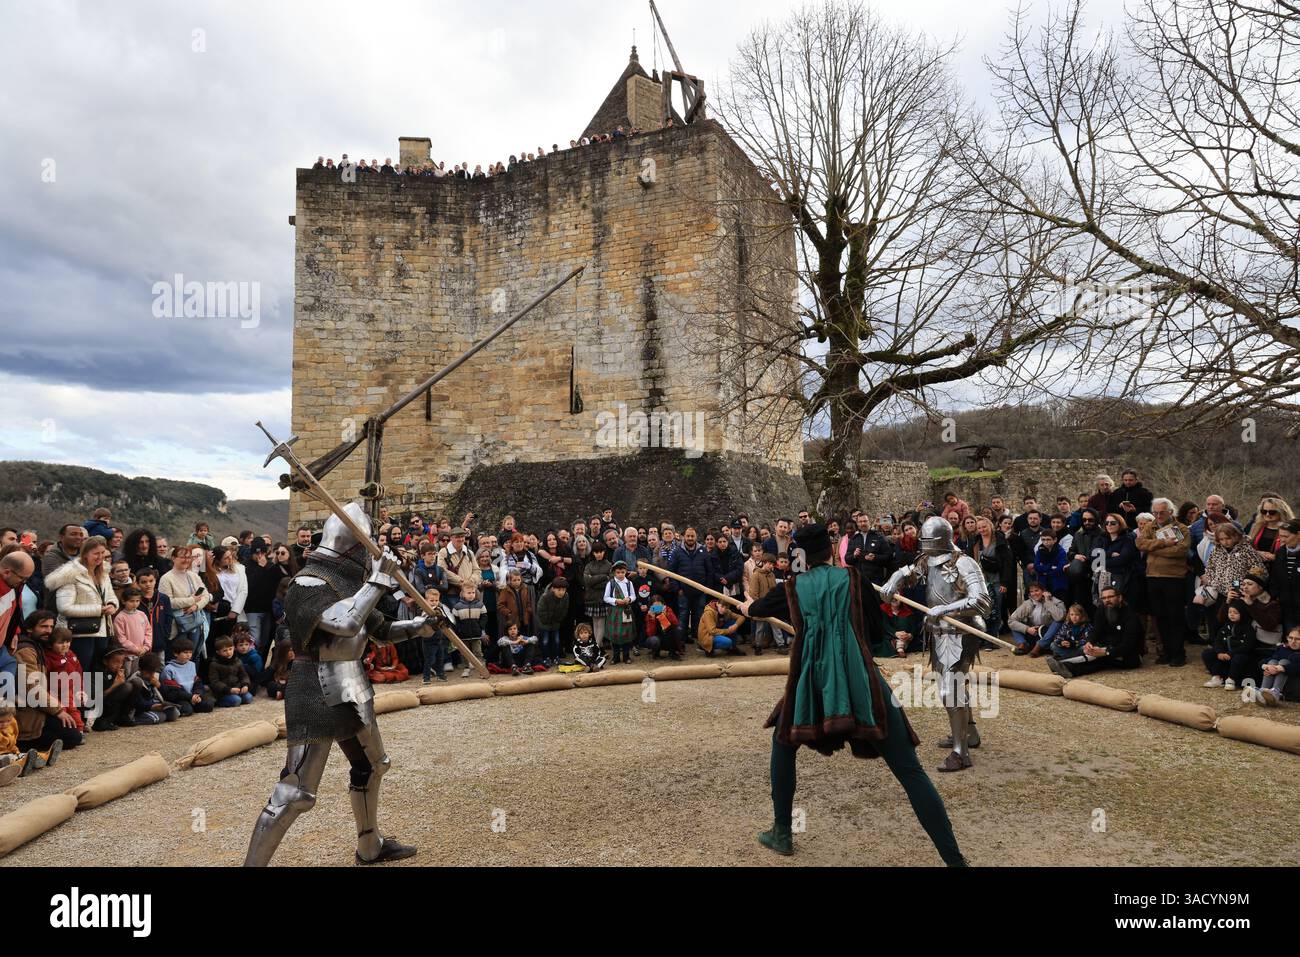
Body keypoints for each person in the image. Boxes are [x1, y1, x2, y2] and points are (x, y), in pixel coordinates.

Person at [738, 523, 966, 864]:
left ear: (799, 556)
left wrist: (747, 607)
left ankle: (782, 831)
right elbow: (876, 632)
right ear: (831, 550)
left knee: (783, 743)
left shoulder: (793, 587)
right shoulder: (855, 580)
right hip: (863, 680)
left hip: (812, 683)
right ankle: (955, 862)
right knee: (910, 771)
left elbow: (758, 610)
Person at [244, 502, 434, 866]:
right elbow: (345, 624)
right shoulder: (308, 582)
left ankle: (370, 847)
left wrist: (422, 625)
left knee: (373, 766)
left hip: (352, 684)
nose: (370, 555)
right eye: (367, 548)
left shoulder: (350, 583)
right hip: (315, 685)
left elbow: (378, 629)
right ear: (354, 547)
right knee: (297, 792)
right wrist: (379, 580)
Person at [883, 516, 991, 772]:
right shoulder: (929, 560)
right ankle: (969, 734)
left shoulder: (964, 563)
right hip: (939, 632)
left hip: (962, 632)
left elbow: (983, 601)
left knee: (949, 691)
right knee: (954, 684)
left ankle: (960, 753)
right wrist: (894, 580)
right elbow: (910, 572)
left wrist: (947, 608)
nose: (925, 546)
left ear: (941, 540)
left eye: (929, 541)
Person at [14, 611, 84, 753]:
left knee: (72, 733)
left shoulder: (38, 646)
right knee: (71, 736)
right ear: (29, 628)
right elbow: (31, 688)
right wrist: (57, 711)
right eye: (44, 626)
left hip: (39, 706)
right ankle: (23, 748)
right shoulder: (25, 650)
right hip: (25, 711)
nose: (49, 631)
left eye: (51, 627)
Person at [45, 535, 117, 672]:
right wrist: (99, 609)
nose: (100, 557)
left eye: (103, 553)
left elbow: (110, 594)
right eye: (96, 553)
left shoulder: (103, 572)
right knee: (80, 671)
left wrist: (112, 604)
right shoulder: (71, 574)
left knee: (97, 672)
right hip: (80, 633)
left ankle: (94, 694)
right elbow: (64, 607)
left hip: (102, 630)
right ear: (85, 554)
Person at [1137, 497, 1190, 666]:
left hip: (1174, 577)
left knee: (1175, 616)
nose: (1158, 515)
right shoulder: (1149, 527)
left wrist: (1155, 550)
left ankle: (1178, 653)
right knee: (1160, 617)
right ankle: (1166, 651)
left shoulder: (1181, 528)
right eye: (1156, 512)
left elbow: (1180, 550)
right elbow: (1140, 543)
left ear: (1170, 512)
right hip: (1153, 576)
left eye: (1162, 512)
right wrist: (1163, 543)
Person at [1046, 585, 1143, 678]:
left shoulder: (1131, 616)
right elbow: (1096, 630)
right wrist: (1089, 642)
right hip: (1107, 647)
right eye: (1104, 598)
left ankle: (1064, 664)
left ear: (1120, 598)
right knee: (1093, 654)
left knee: (1099, 659)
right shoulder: (1102, 609)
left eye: (1110, 597)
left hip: (1128, 654)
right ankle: (1066, 667)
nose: (1107, 600)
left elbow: (1128, 645)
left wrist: (1106, 652)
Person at [160, 545, 212, 660]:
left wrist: (196, 606)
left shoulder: (193, 576)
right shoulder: (166, 578)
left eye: (189, 557)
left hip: (195, 621)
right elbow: (167, 602)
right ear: (173, 558)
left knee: (193, 655)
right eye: (182, 557)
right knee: (178, 657)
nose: (186, 560)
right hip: (177, 624)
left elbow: (206, 595)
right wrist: (191, 600)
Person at [1201, 599, 1261, 692]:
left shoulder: (1248, 628)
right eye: (1230, 612)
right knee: (1207, 653)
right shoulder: (1226, 626)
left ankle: (1231, 680)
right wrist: (1220, 652)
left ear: (1242, 613)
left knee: (1239, 658)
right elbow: (1218, 641)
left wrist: (1230, 653)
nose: (1232, 614)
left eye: (1235, 612)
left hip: (1238, 655)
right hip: (1225, 654)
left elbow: (1247, 646)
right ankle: (1217, 677)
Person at [1008, 582, 1066, 656]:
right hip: (1033, 633)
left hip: (1049, 635)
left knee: (1058, 622)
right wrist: (1027, 629)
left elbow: (1060, 618)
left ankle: (1039, 646)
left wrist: (1047, 601)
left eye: (1036, 590)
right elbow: (1011, 621)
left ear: (1043, 591)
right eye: (1031, 591)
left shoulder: (1056, 602)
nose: (1034, 593)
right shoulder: (1027, 603)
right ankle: (1023, 645)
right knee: (1015, 625)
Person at [160, 637, 214, 714]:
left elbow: (197, 682)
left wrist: (197, 694)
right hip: (179, 697)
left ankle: (193, 704)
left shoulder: (192, 665)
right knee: (187, 710)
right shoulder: (168, 669)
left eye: (190, 652)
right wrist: (190, 697)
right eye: (185, 652)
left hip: (192, 695)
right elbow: (172, 691)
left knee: (209, 704)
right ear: (176, 653)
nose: (188, 655)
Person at [1253, 626, 1300, 705]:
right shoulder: (1282, 649)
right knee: (1272, 661)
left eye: (1298, 639)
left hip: (1294, 685)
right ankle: (1263, 691)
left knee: (1284, 662)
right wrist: (1267, 667)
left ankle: (1275, 693)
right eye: (1290, 638)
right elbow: (1265, 661)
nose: (1293, 641)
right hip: (1281, 682)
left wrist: (1282, 668)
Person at [131, 653, 182, 724]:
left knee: (175, 713)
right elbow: (140, 703)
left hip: (156, 704)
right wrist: (153, 706)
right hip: (144, 708)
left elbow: (166, 693)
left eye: (153, 672)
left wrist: (159, 686)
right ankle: (134, 720)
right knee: (160, 717)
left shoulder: (156, 676)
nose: (152, 675)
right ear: (140, 670)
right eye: (148, 672)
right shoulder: (136, 680)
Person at [604, 560, 637, 663]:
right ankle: (616, 657)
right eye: (618, 572)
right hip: (615, 611)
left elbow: (633, 595)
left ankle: (627, 656)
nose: (620, 574)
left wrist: (630, 599)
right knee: (615, 635)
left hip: (626, 611)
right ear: (614, 572)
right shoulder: (611, 583)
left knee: (626, 634)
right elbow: (606, 597)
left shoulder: (629, 583)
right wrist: (615, 601)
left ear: (625, 572)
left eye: (622, 572)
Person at [536, 577, 569, 668]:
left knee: (557, 641)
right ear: (553, 589)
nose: (561, 592)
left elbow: (564, 610)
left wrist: (557, 619)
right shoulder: (545, 597)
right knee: (545, 641)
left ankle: (556, 657)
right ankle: (546, 658)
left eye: (563, 590)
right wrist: (549, 618)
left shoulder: (566, 596)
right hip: (544, 623)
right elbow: (540, 611)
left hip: (556, 623)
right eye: (559, 590)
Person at [111, 585, 152, 656]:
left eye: (137, 601)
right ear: (123, 601)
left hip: (142, 652)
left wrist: (146, 647)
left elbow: (148, 631)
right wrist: (135, 649)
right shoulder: (120, 618)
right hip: (127, 655)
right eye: (131, 601)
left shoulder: (142, 614)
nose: (135, 604)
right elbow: (121, 638)